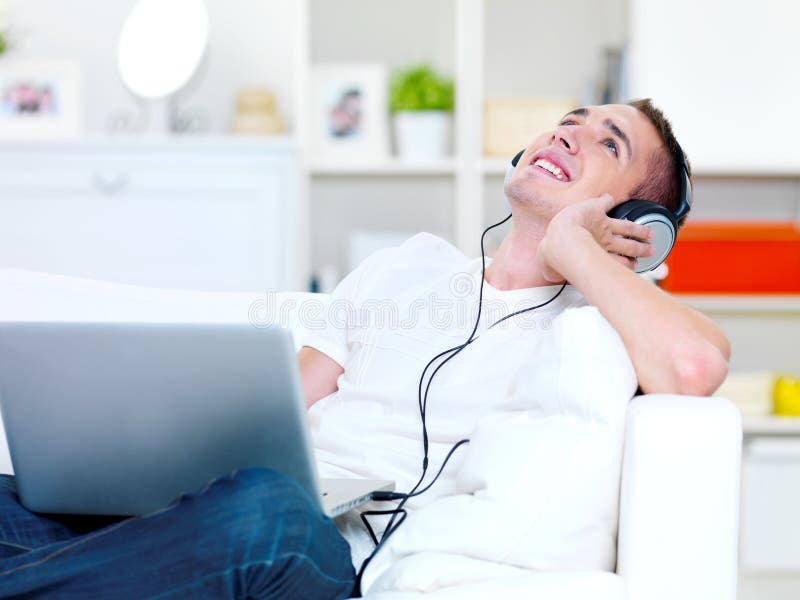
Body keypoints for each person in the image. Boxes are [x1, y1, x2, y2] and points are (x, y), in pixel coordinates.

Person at [0, 99, 729, 599]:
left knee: (272, 515)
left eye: (608, 142)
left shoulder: (595, 322)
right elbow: (277, 412)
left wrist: (578, 249)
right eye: (567, 123)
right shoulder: (406, 266)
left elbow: (695, 367)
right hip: (239, 514)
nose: (566, 135)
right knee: (15, 501)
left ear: (640, 221)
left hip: (320, 557)